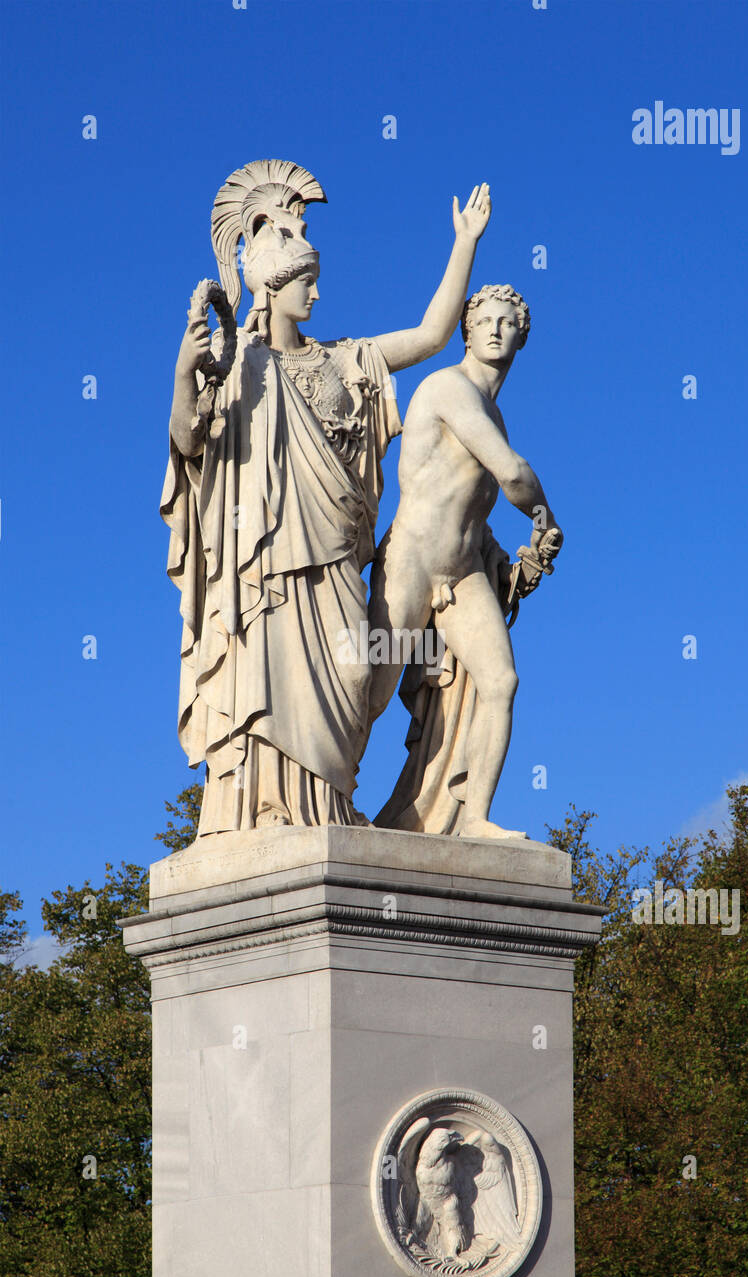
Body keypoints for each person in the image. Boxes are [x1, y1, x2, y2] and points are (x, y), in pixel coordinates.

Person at [162, 160, 491, 833]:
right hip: (268, 566)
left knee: (347, 687)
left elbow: (430, 335)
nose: (315, 294)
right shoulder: (240, 365)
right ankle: (267, 809)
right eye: (305, 283)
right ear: (274, 287)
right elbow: (189, 440)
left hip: (338, 560)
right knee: (270, 685)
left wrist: (465, 243)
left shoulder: (348, 357)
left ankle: (329, 806)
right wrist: (185, 371)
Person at [368, 284, 562, 840]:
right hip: (410, 560)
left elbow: (476, 515)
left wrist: (507, 564)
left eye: (508, 322)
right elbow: (514, 474)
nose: (497, 329)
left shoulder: (492, 413)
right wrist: (547, 518)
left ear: (522, 336)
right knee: (374, 686)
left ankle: (473, 818)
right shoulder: (448, 388)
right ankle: (333, 798)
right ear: (466, 331)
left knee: (501, 682)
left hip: (464, 571)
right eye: (486, 321)